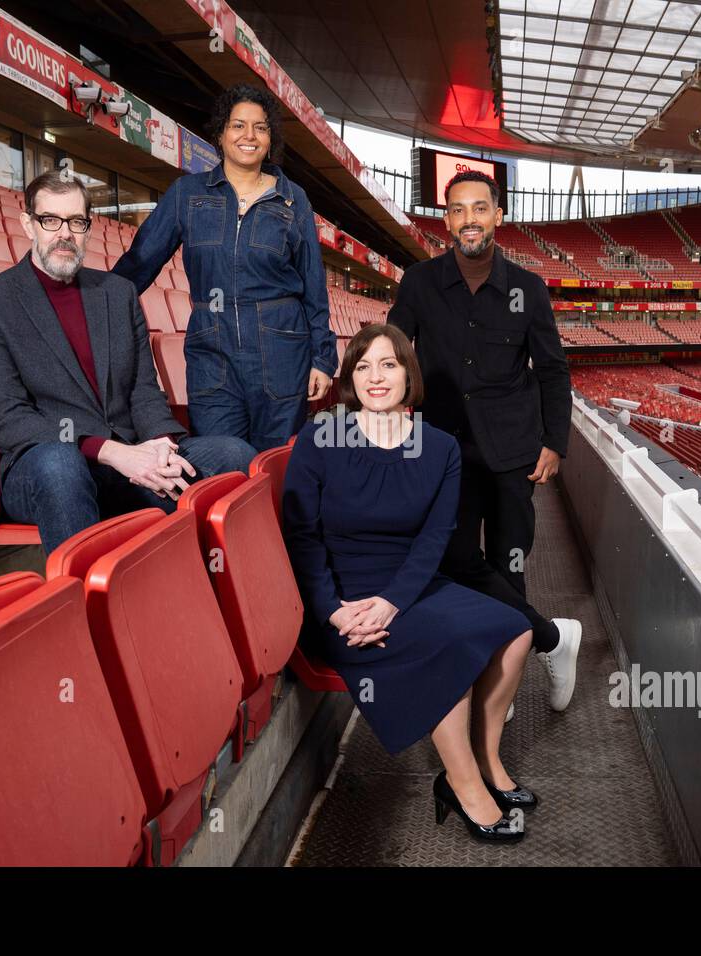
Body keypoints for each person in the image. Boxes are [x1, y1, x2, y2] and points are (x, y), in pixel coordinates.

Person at [283, 324, 535, 843]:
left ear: (407, 374)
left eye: (389, 364)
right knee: (447, 646)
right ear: (350, 377)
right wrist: (334, 610)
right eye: (363, 366)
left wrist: (395, 601)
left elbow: (435, 537)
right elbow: (302, 539)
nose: (376, 377)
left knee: (517, 629)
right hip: (340, 600)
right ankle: (463, 785)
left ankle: (486, 760)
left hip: (408, 587)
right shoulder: (320, 437)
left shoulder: (439, 447)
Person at [0, 169, 256, 554]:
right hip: (42, 466)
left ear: (88, 228)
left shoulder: (117, 293)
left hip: (127, 459)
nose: (64, 233)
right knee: (60, 465)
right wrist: (112, 453)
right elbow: (7, 418)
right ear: (28, 224)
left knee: (235, 455)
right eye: (50, 220)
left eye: (76, 222)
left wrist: (162, 447)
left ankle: (218, 592)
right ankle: (86, 606)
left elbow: (143, 390)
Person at [388, 170, 582, 714]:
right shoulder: (420, 283)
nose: (468, 219)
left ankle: (505, 679)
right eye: (457, 209)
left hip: (514, 452)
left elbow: (552, 370)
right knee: (453, 559)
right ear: (445, 219)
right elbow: (395, 350)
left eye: (479, 208)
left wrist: (555, 442)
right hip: (442, 451)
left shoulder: (529, 289)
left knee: (509, 563)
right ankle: (552, 638)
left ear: (498, 215)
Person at [112, 83, 336, 451]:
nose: (249, 136)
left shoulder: (294, 198)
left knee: (273, 466)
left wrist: (323, 359)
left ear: (270, 137)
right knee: (221, 459)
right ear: (220, 133)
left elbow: (313, 285)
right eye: (238, 125)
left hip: (282, 353)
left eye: (260, 127)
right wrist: (90, 302)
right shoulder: (188, 193)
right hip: (212, 354)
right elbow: (139, 262)